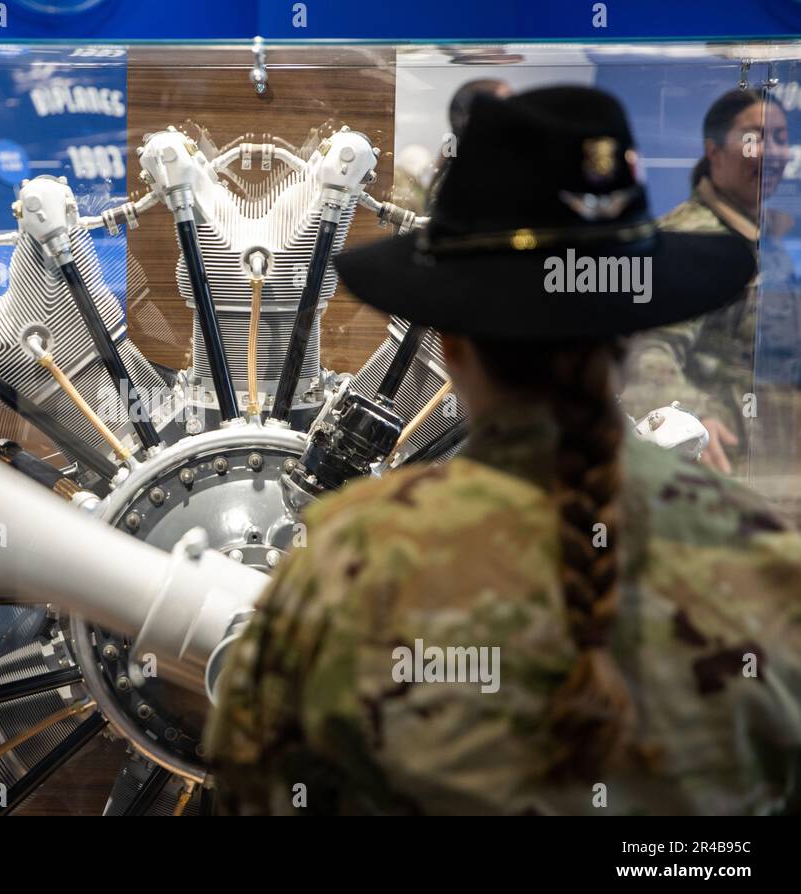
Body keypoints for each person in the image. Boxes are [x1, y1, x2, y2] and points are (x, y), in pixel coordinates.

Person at [205, 86, 801, 815]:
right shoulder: (770, 571)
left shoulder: (344, 572)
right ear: (634, 322)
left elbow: (248, 798)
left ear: (449, 343)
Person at [620, 88, 797, 480]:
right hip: (717, 472)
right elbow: (646, 351)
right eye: (754, 138)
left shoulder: (763, 237)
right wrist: (692, 417)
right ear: (713, 150)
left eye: (782, 139)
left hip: (772, 465)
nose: (773, 152)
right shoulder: (690, 239)